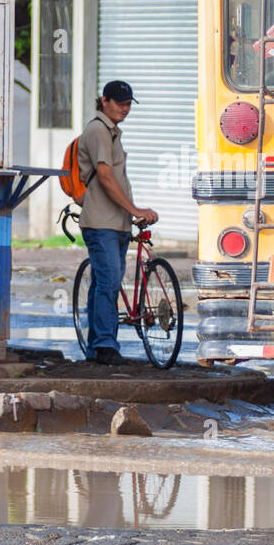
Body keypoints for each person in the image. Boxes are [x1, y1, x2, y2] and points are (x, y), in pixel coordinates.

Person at [77, 80, 159, 365]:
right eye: (120, 103)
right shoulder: (98, 130)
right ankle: (104, 346)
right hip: (101, 223)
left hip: (115, 222)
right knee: (109, 282)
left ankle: (95, 349)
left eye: (128, 104)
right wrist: (134, 208)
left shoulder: (111, 133)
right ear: (104, 101)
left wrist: (130, 213)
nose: (125, 108)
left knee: (103, 282)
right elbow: (105, 177)